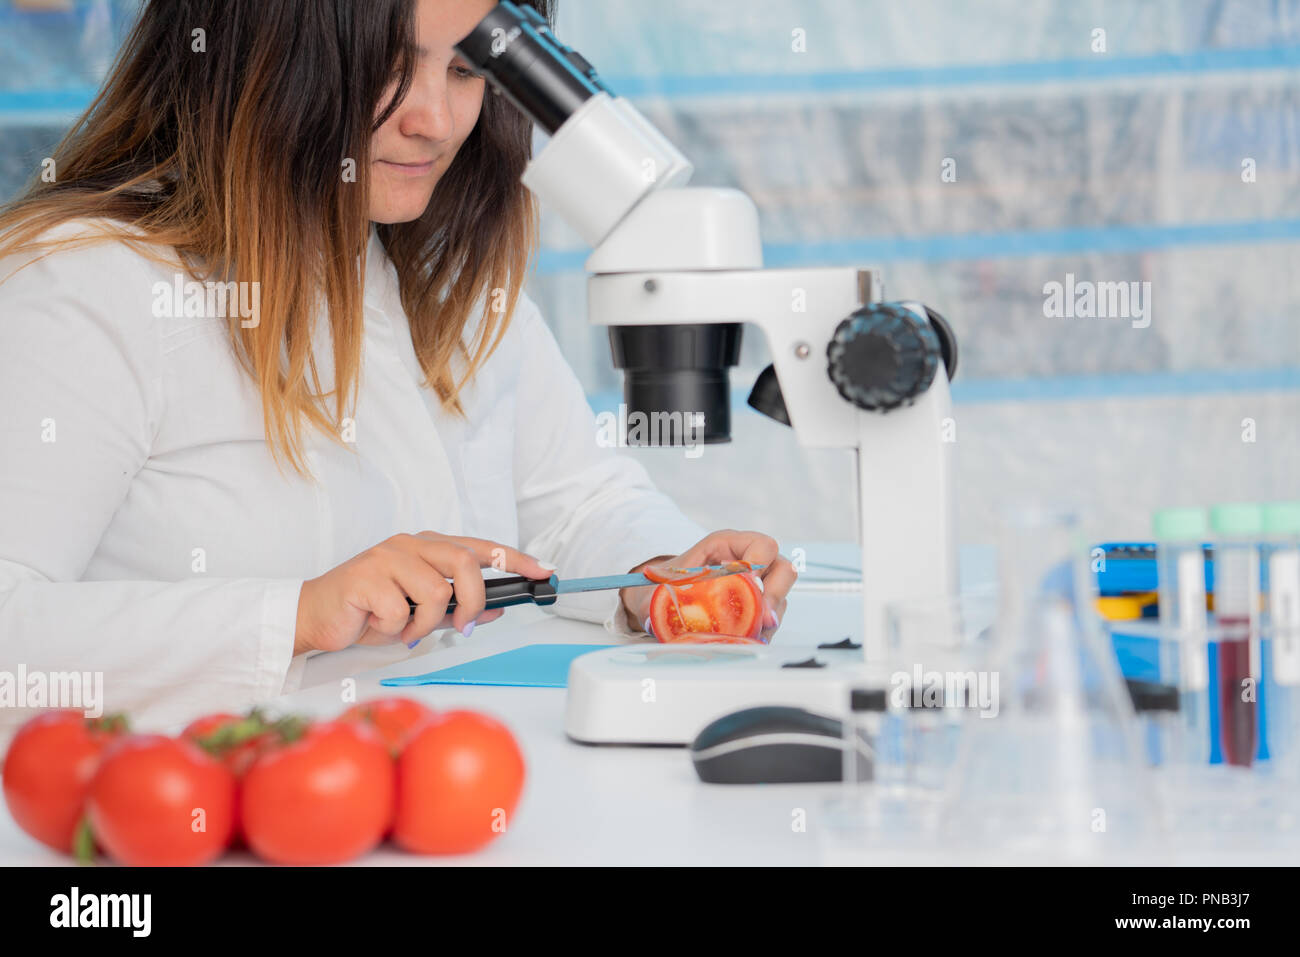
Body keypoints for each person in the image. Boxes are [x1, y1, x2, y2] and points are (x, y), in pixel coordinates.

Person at [0, 0, 795, 739]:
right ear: (254, 51)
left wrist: (662, 573)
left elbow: (576, 504)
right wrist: (299, 613)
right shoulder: (85, 284)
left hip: (429, 795)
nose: (435, 122)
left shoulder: (443, 272)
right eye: (387, 66)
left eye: (465, 71)